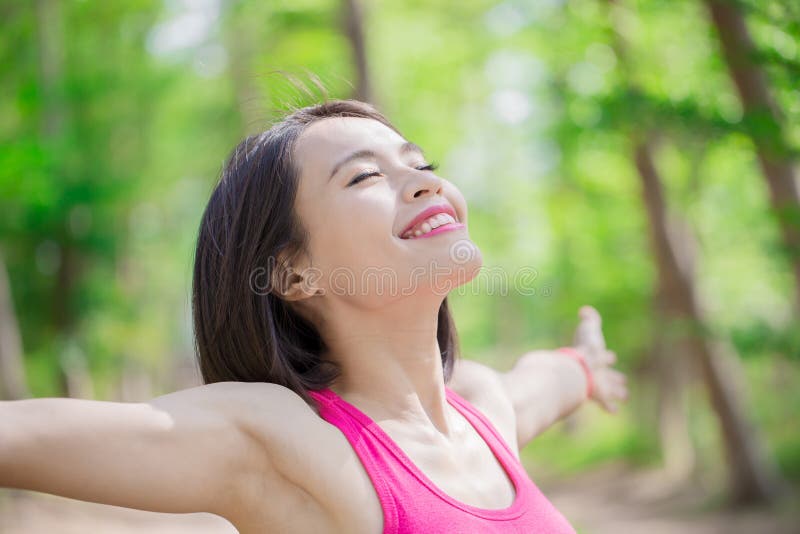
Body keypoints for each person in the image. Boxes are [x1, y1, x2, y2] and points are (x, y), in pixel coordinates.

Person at [0, 99, 628, 533]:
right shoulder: (295, 448)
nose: (422, 182)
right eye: (362, 178)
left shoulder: (484, 408)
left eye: (421, 163)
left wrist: (585, 366)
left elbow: (546, 380)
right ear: (293, 272)